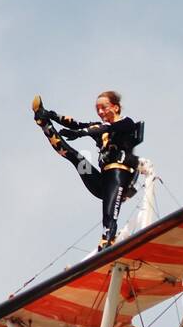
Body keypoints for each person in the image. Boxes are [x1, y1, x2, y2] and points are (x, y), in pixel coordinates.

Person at [32, 90, 142, 250]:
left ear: (116, 108)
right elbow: (77, 124)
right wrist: (49, 115)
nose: (100, 112)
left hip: (119, 175)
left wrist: (79, 133)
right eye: (98, 109)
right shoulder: (100, 127)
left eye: (104, 107)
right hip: (102, 181)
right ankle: (45, 126)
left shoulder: (126, 123)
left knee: (109, 212)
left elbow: (101, 128)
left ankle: (107, 238)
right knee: (76, 158)